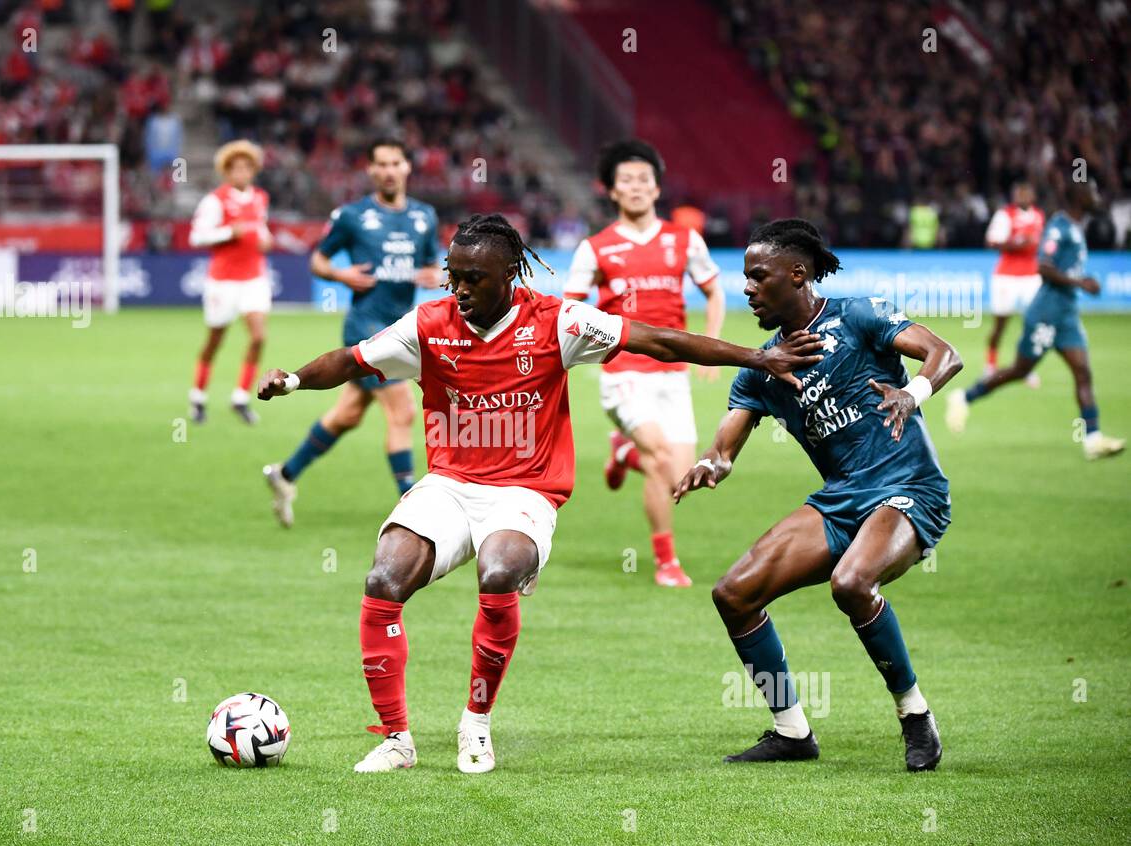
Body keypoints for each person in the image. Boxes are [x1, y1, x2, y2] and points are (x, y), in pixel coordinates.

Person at [256, 213, 822, 775]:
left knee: (498, 570)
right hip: (450, 485)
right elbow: (352, 359)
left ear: (510, 275)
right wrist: (295, 380)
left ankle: (475, 724)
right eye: (453, 276)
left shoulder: (558, 322)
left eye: (473, 278)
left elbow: (656, 340)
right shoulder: (428, 324)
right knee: (383, 579)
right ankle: (396, 738)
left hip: (525, 491)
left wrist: (756, 356)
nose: (459, 289)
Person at [674, 219, 962, 772]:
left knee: (852, 582)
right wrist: (711, 464)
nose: (748, 289)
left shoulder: (858, 315)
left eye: (759, 277)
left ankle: (914, 713)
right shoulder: (763, 369)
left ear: (797, 274)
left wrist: (911, 391)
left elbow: (944, 354)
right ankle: (791, 731)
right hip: (843, 499)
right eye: (745, 278)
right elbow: (726, 448)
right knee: (734, 593)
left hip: (909, 489)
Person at [564, 140, 726, 588]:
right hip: (623, 374)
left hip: (673, 376)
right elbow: (568, 310)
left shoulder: (684, 240)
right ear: (612, 191)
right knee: (657, 460)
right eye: (626, 180)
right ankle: (666, 562)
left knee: (682, 478)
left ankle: (622, 451)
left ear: (657, 188)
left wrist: (709, 343)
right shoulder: (595, 249)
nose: (635, 186)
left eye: (643, 179)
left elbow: (714, 291)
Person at [263, 138, 441, 526]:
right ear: (371, 170)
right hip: (367, 326)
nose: (389, 170)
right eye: (381, 164)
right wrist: (340, 274)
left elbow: (433, 267)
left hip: (404, 327)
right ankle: (412, 507)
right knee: (403, 410)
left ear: (407, 167)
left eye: (396, 162)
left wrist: (434, 275)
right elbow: (318, 260)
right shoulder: (353, 216)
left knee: (347, 415)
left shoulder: (424, 216)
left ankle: (285, 474)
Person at [946, 181, 1124, 460]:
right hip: (1045, 314)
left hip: (1066, 315)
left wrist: (1079, 285)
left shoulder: (1077, 227)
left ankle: (1093, 438)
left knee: (1083, 371)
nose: (1096, 196)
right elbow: (1043, 267)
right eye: (1092, 191)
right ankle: (964, 397)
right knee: (1018, 370)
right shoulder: (1059, 227)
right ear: (1078, 196)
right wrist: (1081, 282)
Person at [188, 140, 273, 425]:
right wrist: (227, 232)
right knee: (215, 340)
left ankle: (241, 396)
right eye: (235, 168)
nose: (241, 172)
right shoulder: (215, 200)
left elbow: (259, 228)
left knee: (259, 336)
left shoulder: (260, 198)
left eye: (247, 167)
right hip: (223, 282)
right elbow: (196, 236)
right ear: (226, 171)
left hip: (254, 278)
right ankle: (198, 396)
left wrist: (265, 238)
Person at [984, 182, 1044, 387]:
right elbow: (991, 242)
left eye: (1026, 192)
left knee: (1032, 324)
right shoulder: (1005, 215)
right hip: (1006, 276)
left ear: (1032, 195)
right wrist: (1016, 243)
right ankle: (990, 365)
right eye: (1019, 193)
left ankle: (1025, 369)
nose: (1022, 196)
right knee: (1000, 325)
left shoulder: (1039, 215)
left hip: (1031, 277)